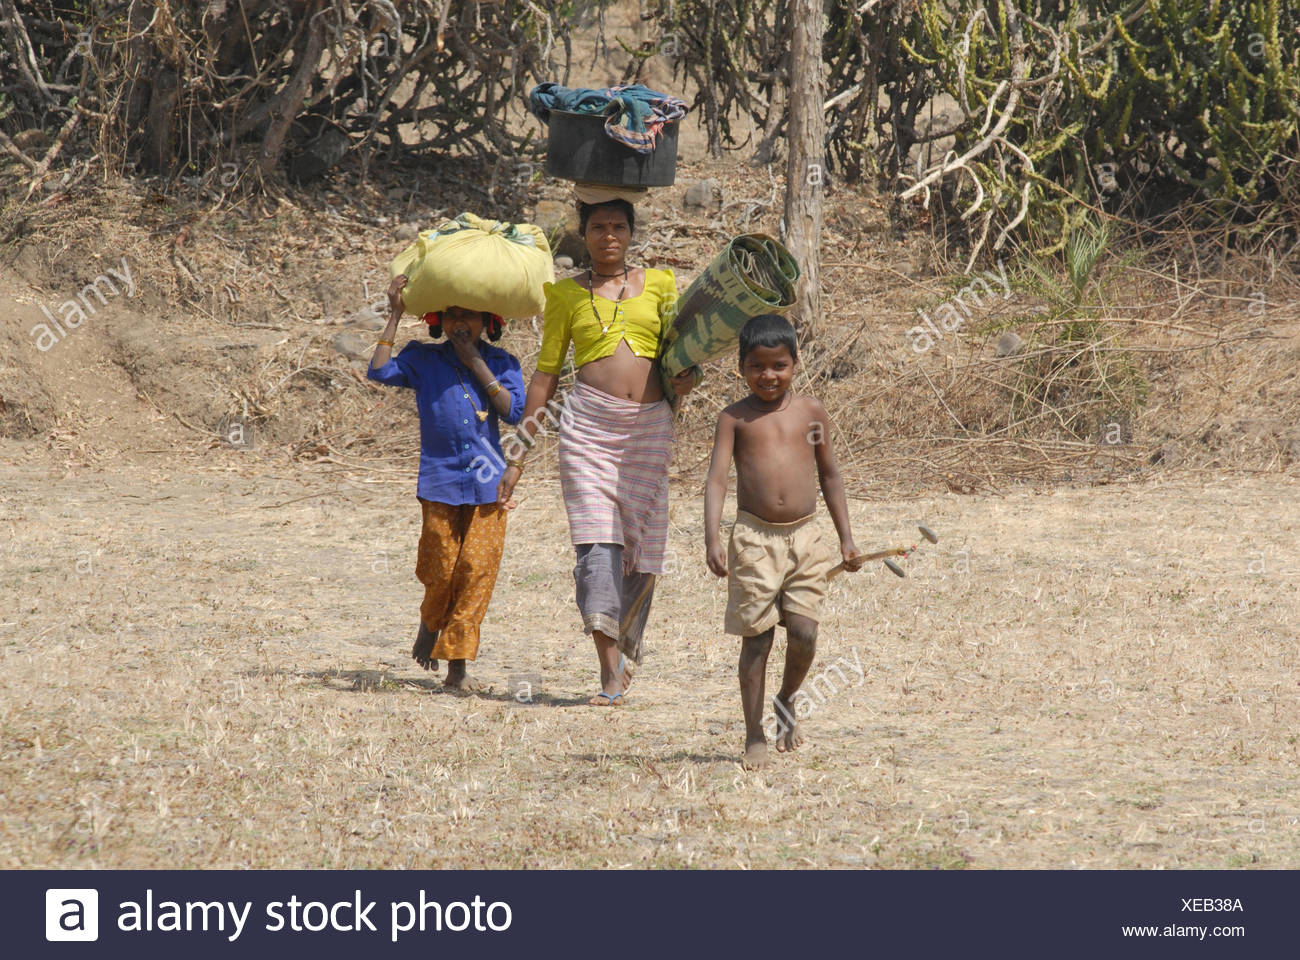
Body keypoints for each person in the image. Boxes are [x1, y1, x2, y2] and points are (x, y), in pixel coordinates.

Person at [496, 198, 698, 705]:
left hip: (649, 430)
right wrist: (517, 457)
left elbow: (682, 355)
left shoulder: (660, 285)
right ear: (581, 234)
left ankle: (626, 644)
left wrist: (688, 377)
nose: (609, 236)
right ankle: (609, 672)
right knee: (596, 545)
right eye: (597, 227)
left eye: (618, 227)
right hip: (587, 429)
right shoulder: (564, 295)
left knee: (643, 550)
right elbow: (545, 376)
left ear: (631, 233)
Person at [703, 313, 865, 770]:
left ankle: (788, 698)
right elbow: (716, 480)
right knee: (755, 642)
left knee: (805, 633)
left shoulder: (811, 413)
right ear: (741, 367)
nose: (768, 376)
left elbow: (829, 474)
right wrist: (713, 537)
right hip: (754, 539)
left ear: (795, 363)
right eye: (757, 367)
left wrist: (846, 539)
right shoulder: (733, 419)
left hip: (806, 537)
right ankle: (753, 734)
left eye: (779, 366)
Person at [367, 274, 526, 690]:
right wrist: (395, 314)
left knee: (475, 570)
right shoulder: (423, 358)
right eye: (453, 314)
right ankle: (430, 620)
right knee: (439, 569)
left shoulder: (504, 363)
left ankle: (456, 668)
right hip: (438, 479)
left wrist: (475, 360)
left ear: (487, 321)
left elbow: (512, 412)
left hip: (489, 483)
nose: (461, 322)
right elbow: (379, 371)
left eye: (470, 316)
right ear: (439, 318)